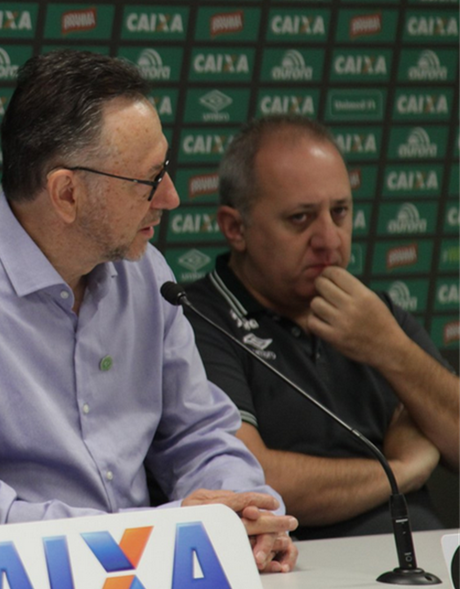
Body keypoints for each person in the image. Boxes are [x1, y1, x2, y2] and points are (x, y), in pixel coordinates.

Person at [0, 49, 299, 572]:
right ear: (66, 193)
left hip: (137, 573)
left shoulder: (147, 276)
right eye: (148, 180)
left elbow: (199, 436)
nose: (173, 198)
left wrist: (247, 514)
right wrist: (160, 533)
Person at [186, 114, 459, 540]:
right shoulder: (198, 319)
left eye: (340, 212)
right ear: (235, 228)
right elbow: (249, 480)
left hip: (427, 558)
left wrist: (391, 350)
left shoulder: (374, 312)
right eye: (301, 218)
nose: (329, 239)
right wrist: (401, 470)